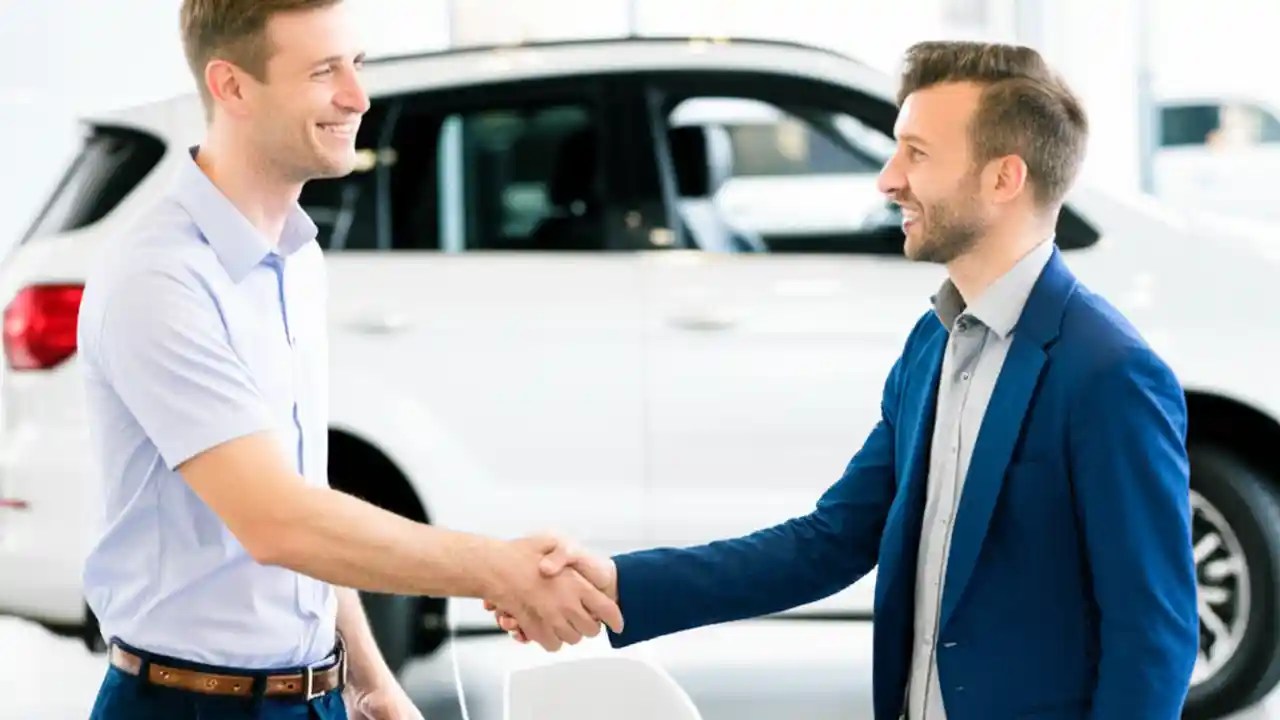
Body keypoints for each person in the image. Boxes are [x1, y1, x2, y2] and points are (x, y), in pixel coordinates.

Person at [489, 41, 1200, 719]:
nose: (889, 178)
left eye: (916, 154)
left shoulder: (1110, 374)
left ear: (1003, 177)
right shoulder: (934, 343)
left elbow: (1154, 635)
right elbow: (829, 541)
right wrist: (618, 584)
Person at [77, 2, 620, 718]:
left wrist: (368, 679)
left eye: (356, 65)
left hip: (315, 695)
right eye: (323, 71)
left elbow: (308, 495)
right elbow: (279, 523)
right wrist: (501, 570)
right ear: (232, 87)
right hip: (189, 706)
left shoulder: (294, 258)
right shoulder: (162, 278)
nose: (358, 98)